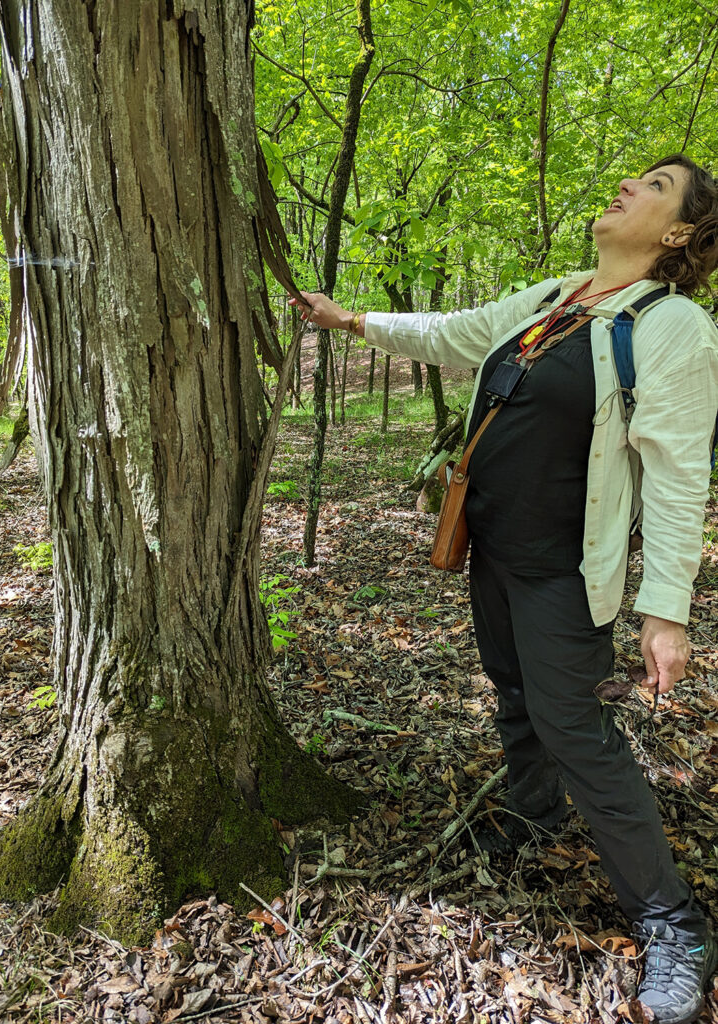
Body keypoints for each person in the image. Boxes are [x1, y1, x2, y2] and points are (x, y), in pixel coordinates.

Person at [290, 153, 718, 1024]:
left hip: (565, 570)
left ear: (676, 233)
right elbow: (455, 331)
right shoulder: (557, 298)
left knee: (575, 726)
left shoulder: (672, 326)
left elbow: (677, 475)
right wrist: (353, 319)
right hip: (494, 552)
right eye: (631, 173)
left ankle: (673, 922)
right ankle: (532, 814)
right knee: (515, 691)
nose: (628, 183)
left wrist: (663, 610)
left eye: (655, 186)